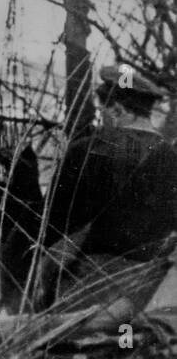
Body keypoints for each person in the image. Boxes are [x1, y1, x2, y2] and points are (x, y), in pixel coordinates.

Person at [40, 64, 177, 323]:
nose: (103, 118)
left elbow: (54, 224)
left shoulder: (86, 150)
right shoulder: (171, 156)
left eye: (104, 111)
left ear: (117, 109)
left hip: (86, 285)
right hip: (145, 290)